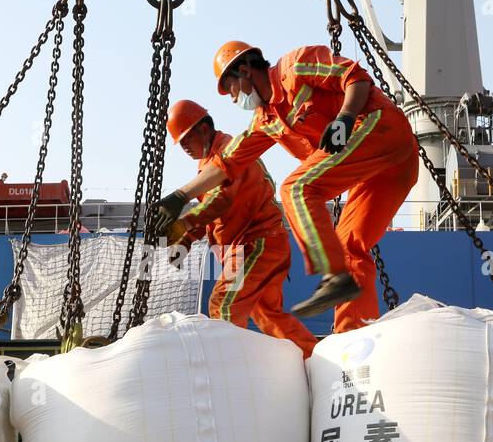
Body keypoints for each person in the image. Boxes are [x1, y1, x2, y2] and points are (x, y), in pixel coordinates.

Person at [152, 42, 419, 333]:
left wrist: (345, 115)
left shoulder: (295, 67)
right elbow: (226, 165)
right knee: (347, 248)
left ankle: (333, 277)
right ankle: (353, 336)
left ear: (244, 71)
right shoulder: (266, 121)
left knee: (296, 188)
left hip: (380, 127)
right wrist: (179, 198)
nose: (232, 99)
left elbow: (354, 76)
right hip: (387, 171)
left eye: (231, 89)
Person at [162, 98, 318, 358]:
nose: (185, 147)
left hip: (255, 243)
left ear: (203, 128)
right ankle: (313, 360)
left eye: (187, 138)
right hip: (256, 245)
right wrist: (186, 239)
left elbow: (221, 201)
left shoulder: (229, 152)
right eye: (182, 143)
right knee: (270, 317)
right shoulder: (209, 162)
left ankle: (229, 368)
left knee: (224, 304)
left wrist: (184, 225)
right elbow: (215, 215)